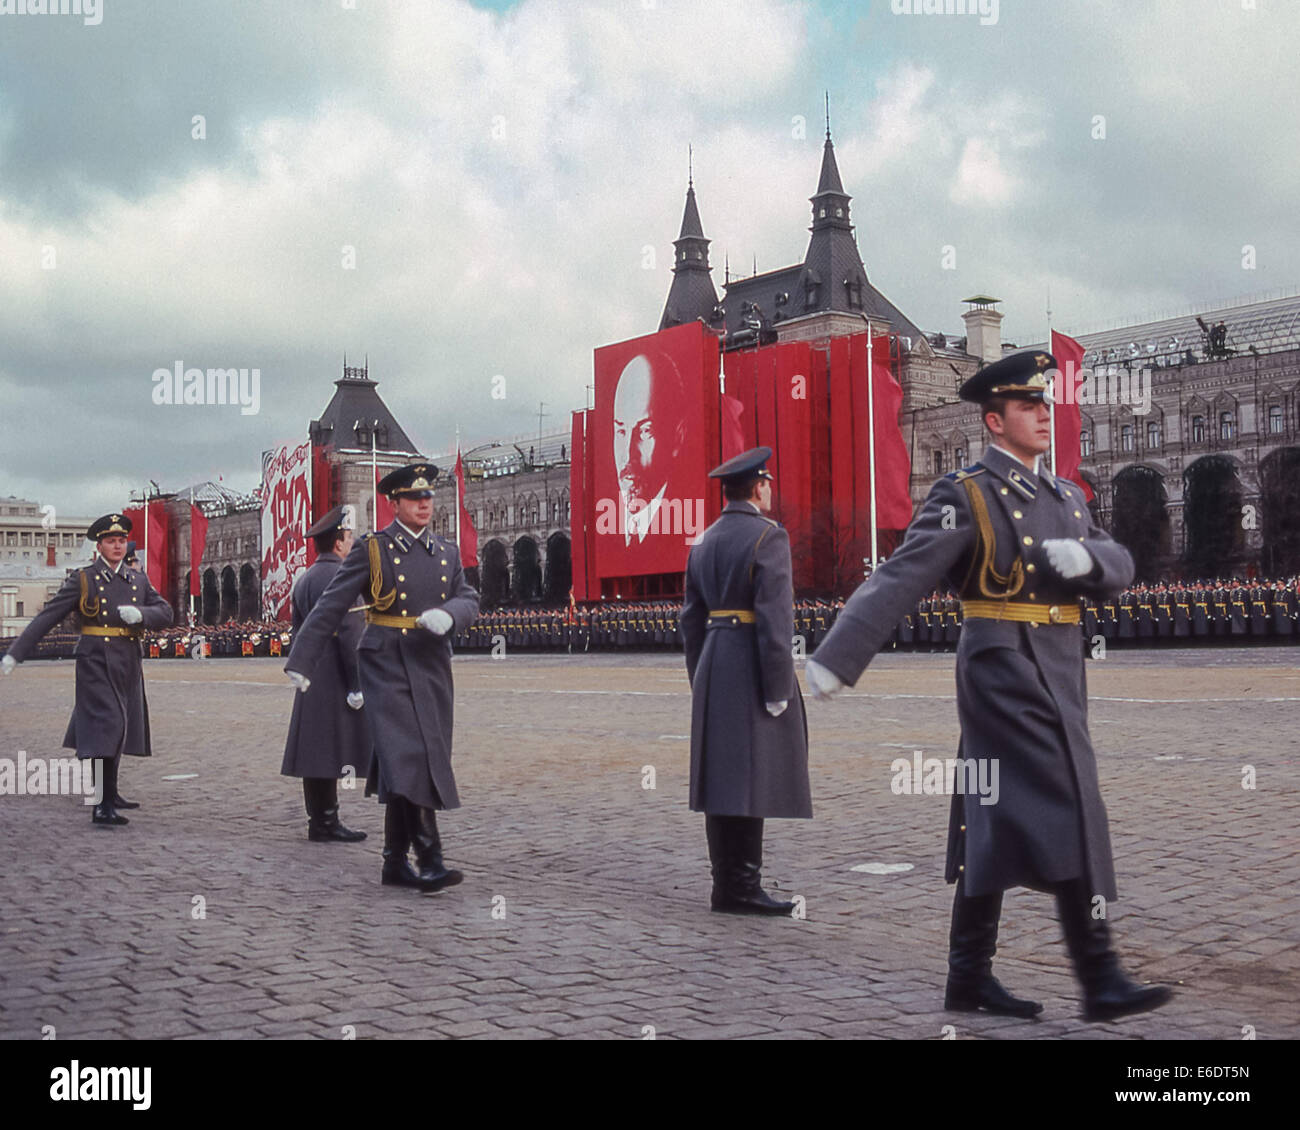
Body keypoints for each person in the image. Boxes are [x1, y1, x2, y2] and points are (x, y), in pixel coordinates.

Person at [806, 350, 1173, 1022]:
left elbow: (1121, 561)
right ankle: (1100, 977)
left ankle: (967, 976)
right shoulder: (966, 493)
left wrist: (1089, 558)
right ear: (995, 421)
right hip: (1002, 670)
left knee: (991, 815)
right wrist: (840, 653)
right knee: (1065, 800)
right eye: (1028, 407)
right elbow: (901, 575)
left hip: (1061, 671)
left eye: (1044, 404)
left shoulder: (1064, 496)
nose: (1043, 415)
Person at [284, 465, 479, 892]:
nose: (424, 504)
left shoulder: (446, 552)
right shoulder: (374, 549)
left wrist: (450, 615)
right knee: (411, 756)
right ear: (395, 503)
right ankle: (430, 859)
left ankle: (394, 861)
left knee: (407, 763)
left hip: (430, 664)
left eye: (428, 497)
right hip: (385, 661)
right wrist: (301, 660)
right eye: (414, 498)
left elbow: (469, 598)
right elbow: (333, 605)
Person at [680, 446, 811, 914]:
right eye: (768, 483)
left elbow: (690, 620)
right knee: (752, 773)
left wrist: (702, 676)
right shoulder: (767, 537)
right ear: (758, 487)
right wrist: (778, 687)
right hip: (750, 659)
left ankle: (727, 884)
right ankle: (744, 886)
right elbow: (776, 622)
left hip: (715, 660)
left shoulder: (705, 540)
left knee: (721, 777)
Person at [1, 513, 173, 826]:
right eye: (111, 541)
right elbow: (48, 616)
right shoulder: (85, 579)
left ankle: (110, 793)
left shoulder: (138, 580)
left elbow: (166, 611)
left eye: (122, 540)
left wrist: (142, 614)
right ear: (99, 546)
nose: (118, 546)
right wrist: (17, 652)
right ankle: (101, 803)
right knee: (105, 726)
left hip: (128, 659)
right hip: (95, 659)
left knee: (120, 725)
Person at [280, 505, 373, 843]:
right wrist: (357, 683)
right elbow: (350, 634)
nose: (351, 545)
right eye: (349, 538)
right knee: (330, 750)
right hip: (334, 675)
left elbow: (298, 631)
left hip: (311, 676)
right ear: (338, 544)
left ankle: (319, 820)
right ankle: (326, 821)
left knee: (316, 752)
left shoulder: (305, 579)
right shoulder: (340, 577)